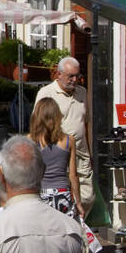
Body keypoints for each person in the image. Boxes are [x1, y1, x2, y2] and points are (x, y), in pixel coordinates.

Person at [34, 58, 93, 208]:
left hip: (80, 153)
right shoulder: (46, 93)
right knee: (64, 196)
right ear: (59, 74)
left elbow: (85, 124)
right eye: (70, 76)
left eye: (77, 76)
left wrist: (89, 151)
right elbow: (38, 126)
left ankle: (79, 224)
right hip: (58, 153)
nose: (75, 80)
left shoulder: (82, 92)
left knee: (87, 197)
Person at [29, 98, 85, 222]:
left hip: (41, 194)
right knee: (66, 233)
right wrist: (79, 203)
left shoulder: (30, 140)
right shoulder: (69, 140)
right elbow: (73, 175)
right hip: (63, 194)